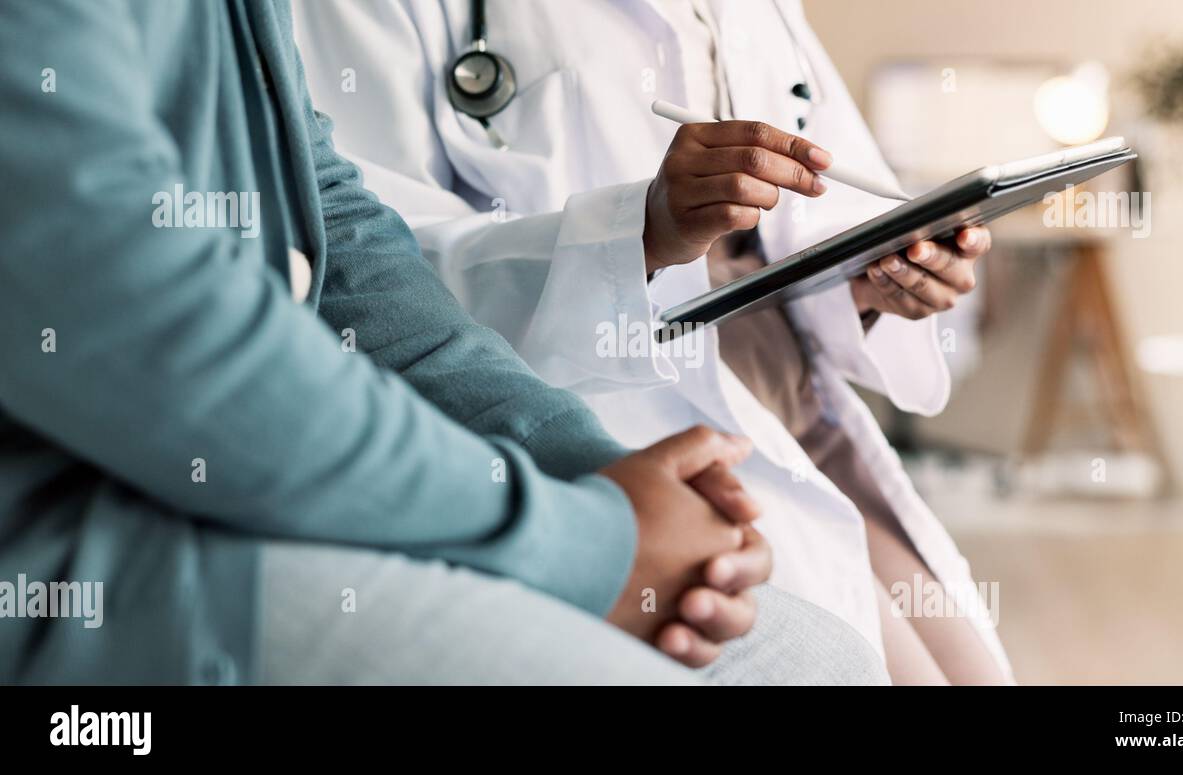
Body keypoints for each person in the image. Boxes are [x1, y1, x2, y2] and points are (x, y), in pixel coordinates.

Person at [0, 0, 885, 686]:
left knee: (817, 657)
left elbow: (336, 232)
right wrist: (578, 537)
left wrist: (595, 473)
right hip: (97, 549)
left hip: (289, 469)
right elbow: (152, 328)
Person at [293, 0, 1014, 684]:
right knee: (828, 659)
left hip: (792, 403)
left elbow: (833, 185)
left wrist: (881, 275)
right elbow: (374, 269)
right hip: (611, 414)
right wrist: (637, 230)